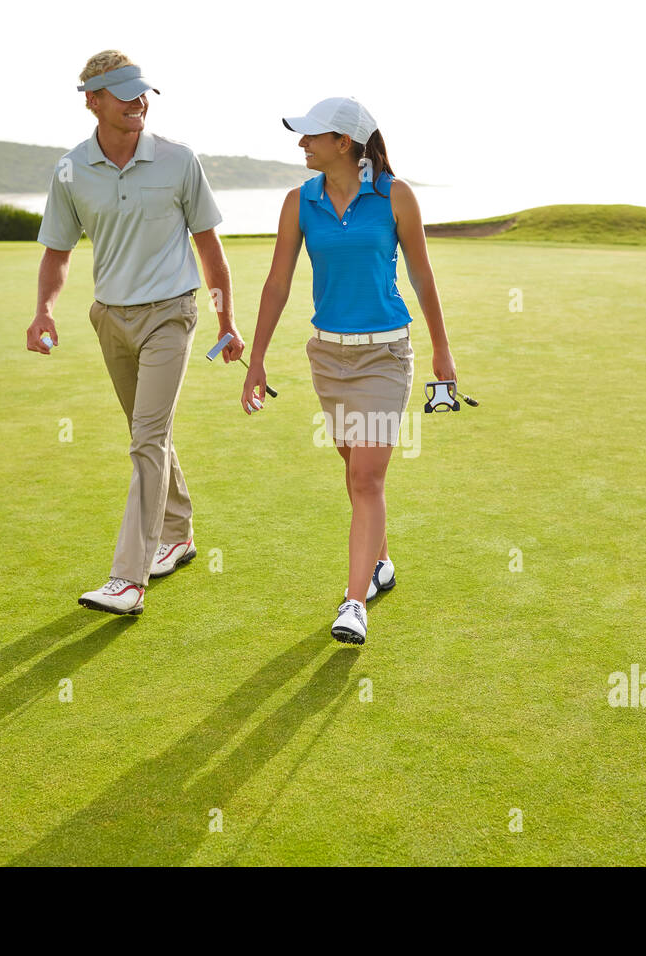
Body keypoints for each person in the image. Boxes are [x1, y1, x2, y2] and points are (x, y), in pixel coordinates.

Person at [27, 50, 243, 616]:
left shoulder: (178, 160)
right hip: (109, 318)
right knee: (150, 432)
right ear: (91, 100)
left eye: (141, 90)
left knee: (145, 438)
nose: (136, 101)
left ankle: (128, 579)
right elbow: (57, 251)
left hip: (171, 314)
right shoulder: (70, 170)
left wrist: (226, 320)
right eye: (122, 92)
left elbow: (210, 249)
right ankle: (179, 532)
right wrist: (44, 310)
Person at [241, 97, 456, 644]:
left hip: (386, 356)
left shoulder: (395, 196)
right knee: (353, 468)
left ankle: (354, 602)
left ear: (345, 143)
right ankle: (380, 564)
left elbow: (423, 279)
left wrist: (442, 355)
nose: (301, 144)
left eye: (312, 136)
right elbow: (277, 284)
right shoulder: (300, 201)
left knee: (366, 477)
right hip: (328, 358)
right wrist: (257, 359)